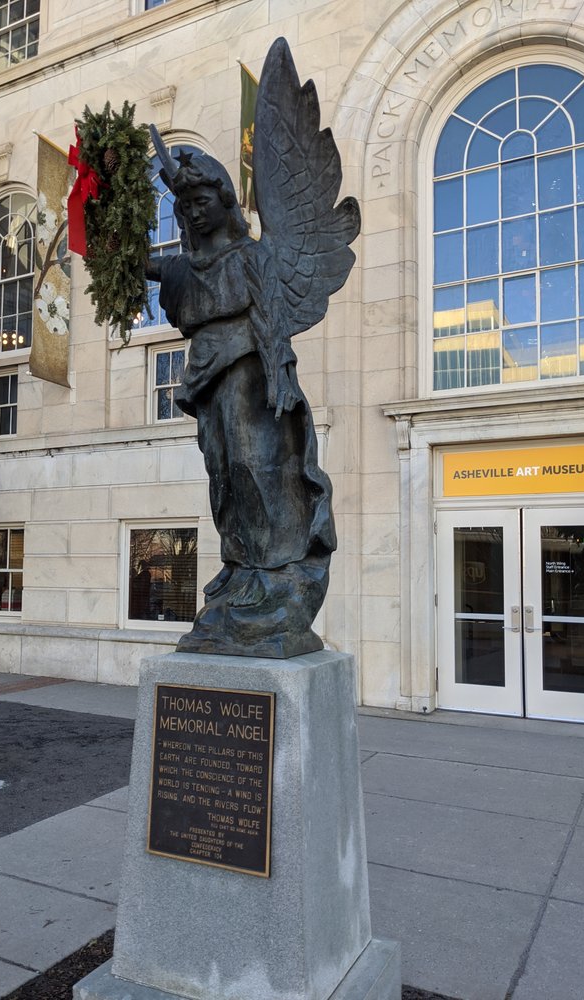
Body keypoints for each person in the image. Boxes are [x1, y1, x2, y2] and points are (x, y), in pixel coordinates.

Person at [145, 150, 337, 658]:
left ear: (225, 200)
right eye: (184, 205)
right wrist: (106, 210)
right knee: (225, 474)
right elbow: (146, 266)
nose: (193, 212)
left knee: (259, 468)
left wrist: (281, 375)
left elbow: (271, 316)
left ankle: (274, 575)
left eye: (202, 200)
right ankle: (242, 569)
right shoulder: (188, 267)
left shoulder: (252, 257)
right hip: (208, 381)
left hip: (251, 374)